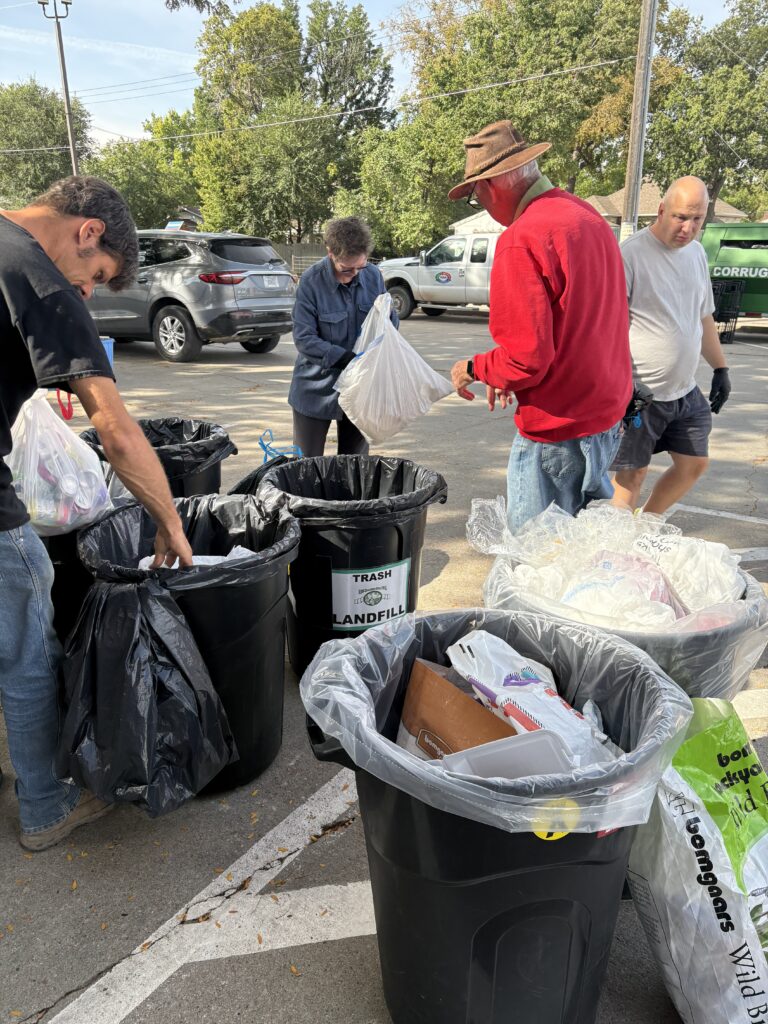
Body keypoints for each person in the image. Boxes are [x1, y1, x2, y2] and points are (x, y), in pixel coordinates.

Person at [0, 175, 193, 852]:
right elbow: (113, 427)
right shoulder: (37, 274)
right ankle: (47, 806)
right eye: (96, 274)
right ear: (86, 232)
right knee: (26, 650)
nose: (86, 292)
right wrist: (169, 519)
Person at [447, 120, 632, 532]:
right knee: (586, 561)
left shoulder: (523, 237)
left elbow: (526, 359)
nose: (481, 203)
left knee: (532, 568)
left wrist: (475, 368)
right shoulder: (587, 218)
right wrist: (507, 371)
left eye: (476, 193)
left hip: (558, 430)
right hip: (604, 417)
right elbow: (579, 323)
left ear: (492, 185)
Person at [610, 176, 731, 513]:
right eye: (680, 217)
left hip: (683, 391)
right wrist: (619, 388)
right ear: (661, 210)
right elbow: (608, 330)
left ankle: (646, 525)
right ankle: (612, 556)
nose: (688, 228)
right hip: (640, 394)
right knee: (631, 477)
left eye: (697, 219)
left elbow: (703, 316)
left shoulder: (696, 255)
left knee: (694, 463)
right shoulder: (631, 255)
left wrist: (720, 367)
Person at [288, 216, 398, 457]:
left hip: (359, 390)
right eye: (347, 269)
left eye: (360, 267)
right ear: (330, 253)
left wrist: (384, 344)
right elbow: (304, 338)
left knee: (355, 467)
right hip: (315, 389)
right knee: (305, 466)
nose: (355, 275)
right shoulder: (310, 282)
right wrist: (344, 359)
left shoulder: (372, 276)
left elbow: (388, 318)